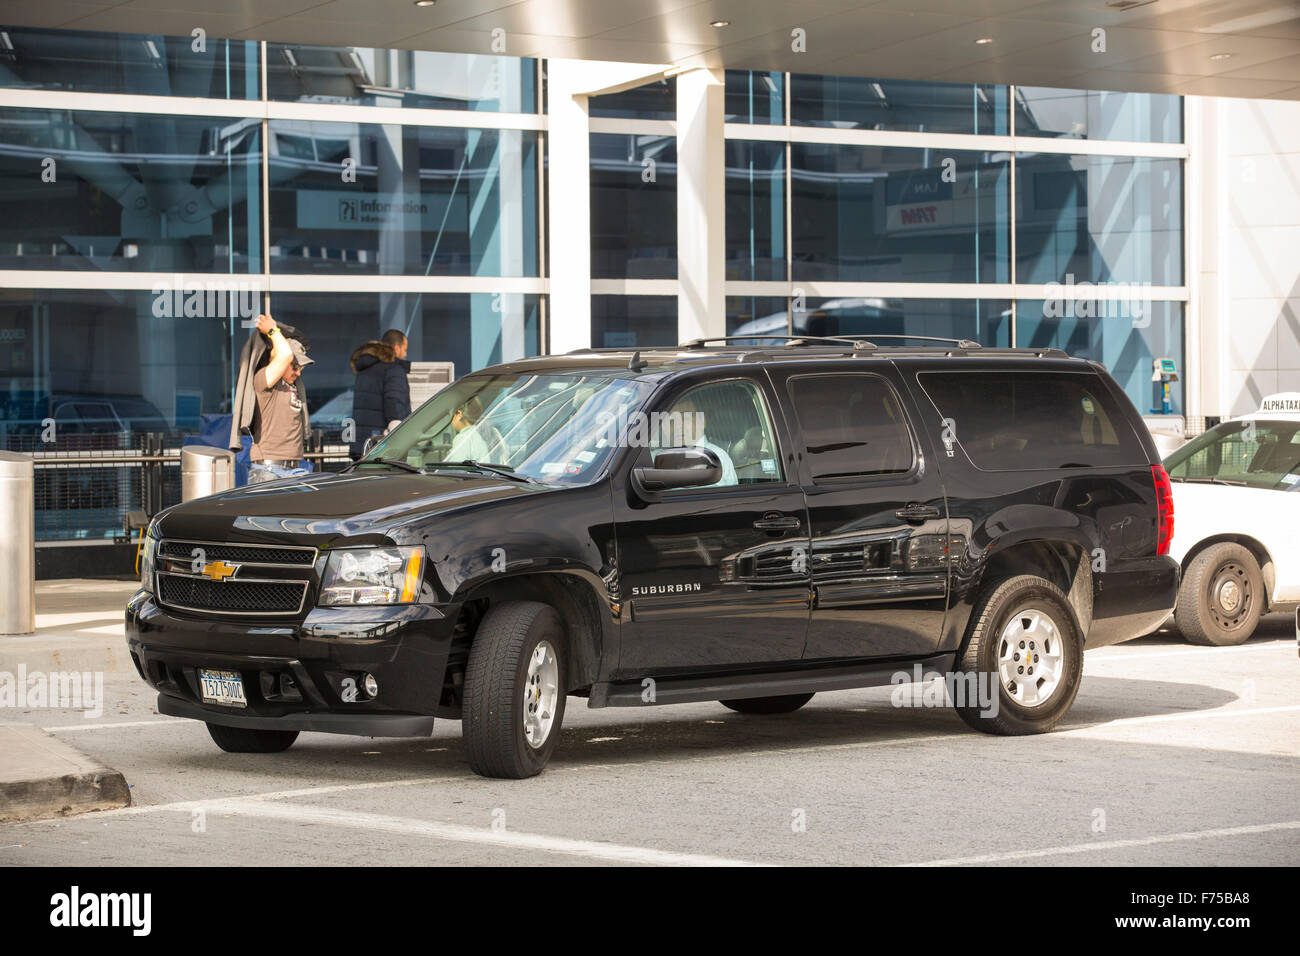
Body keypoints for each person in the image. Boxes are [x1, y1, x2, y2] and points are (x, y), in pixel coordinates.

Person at [248, 313, 313, 484]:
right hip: (269, 471)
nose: (298, 372)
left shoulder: (295, 385)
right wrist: (272, 329)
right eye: (294, 366)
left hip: (295, 469)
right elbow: (284, 355)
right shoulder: (264, 379)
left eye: (301, 368)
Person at [349, 329, 412, 460]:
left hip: (363, 443)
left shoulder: (365, 369)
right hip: (383, 447)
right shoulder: (393, 370)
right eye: (404, 349)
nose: (405, 354)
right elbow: (395, 405)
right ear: (396, 347)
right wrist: (401, 444)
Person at [665, 395, 737, 487]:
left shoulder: (716, 457)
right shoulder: (656, 456)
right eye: (672, 420)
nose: (677, 425)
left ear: (702, 421)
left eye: (685, 417)